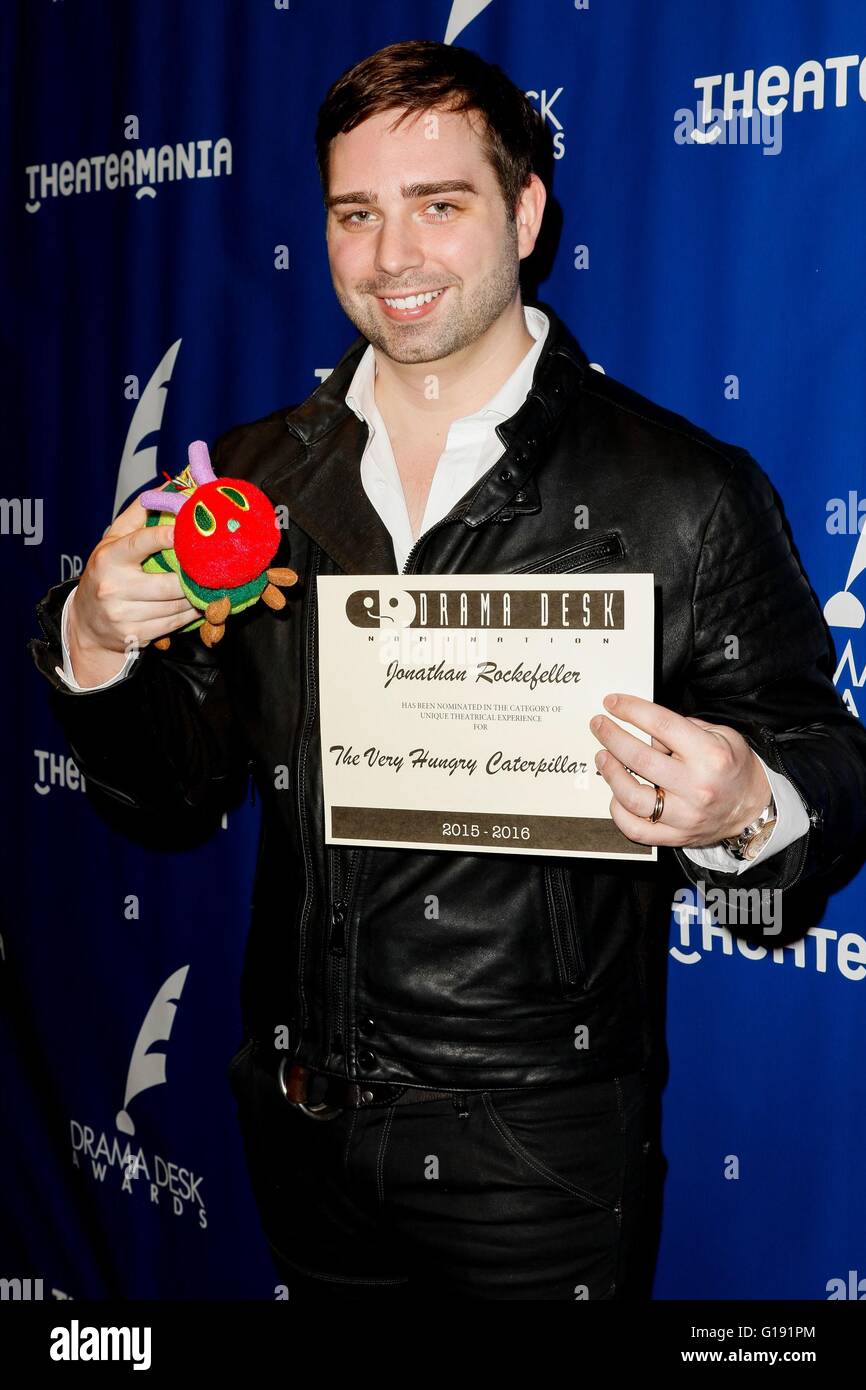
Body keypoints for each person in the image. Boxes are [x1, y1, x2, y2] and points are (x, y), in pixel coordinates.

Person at [30, 39, 866, 1301]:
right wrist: (94, 642)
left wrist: (750, 802)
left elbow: (828, 771)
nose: (390, 258)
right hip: (298, 1133)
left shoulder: (681, 491)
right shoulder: (248, 487)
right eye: (354, 214)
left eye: (439, 204)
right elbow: (169, 799)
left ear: (526, 212)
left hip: (537, 1157)